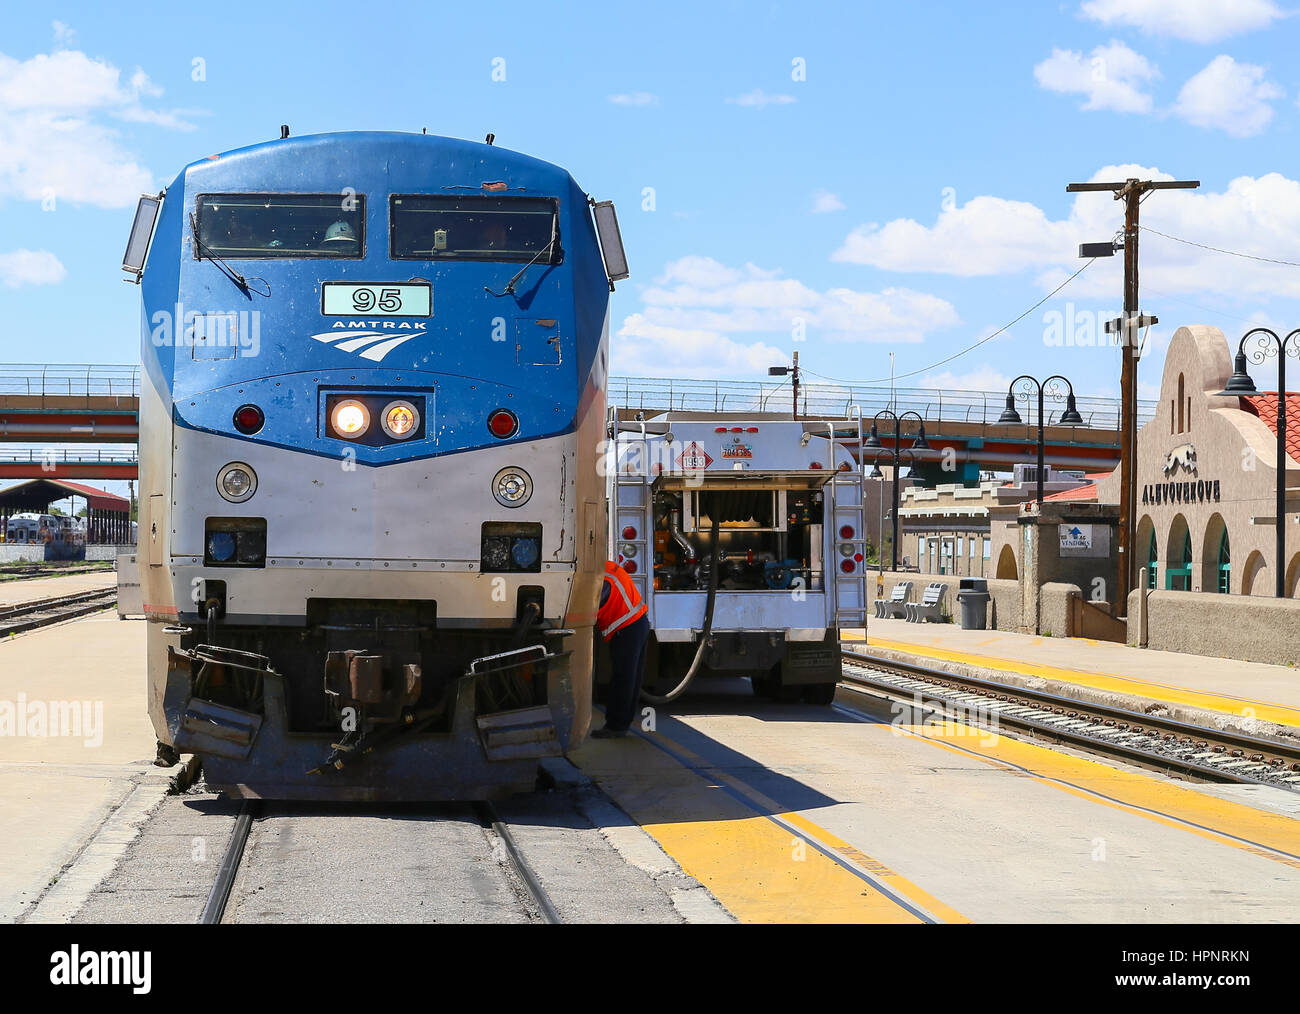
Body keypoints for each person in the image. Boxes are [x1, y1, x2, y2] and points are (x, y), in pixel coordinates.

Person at [592, 559, 649, 738]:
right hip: (637, 623)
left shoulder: (601, 579)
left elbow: (587, 608)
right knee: (630, 678)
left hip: (627, 628)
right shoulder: (607, 567)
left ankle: (615, 726)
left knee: (623, 677)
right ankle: (622, 724)